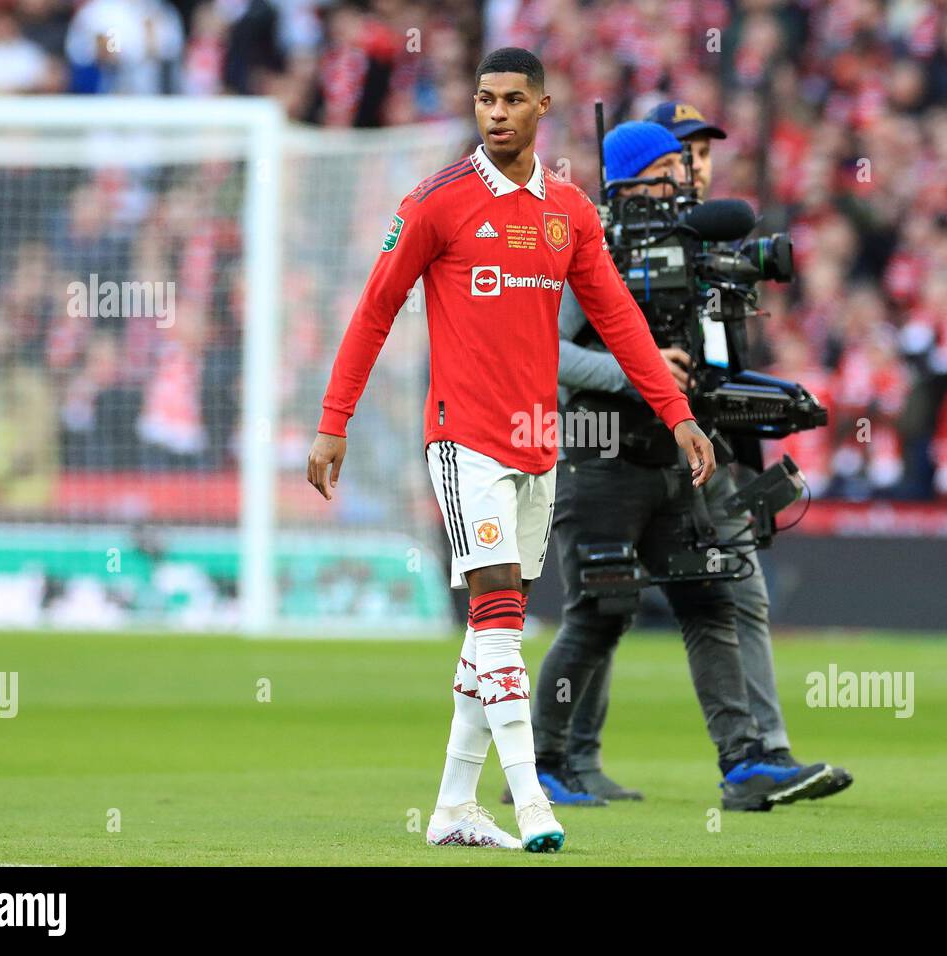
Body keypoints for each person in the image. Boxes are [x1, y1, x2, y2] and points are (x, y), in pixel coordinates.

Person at [306, 49, 716, 852]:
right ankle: (532, 802)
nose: (495, 112)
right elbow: (375, 309)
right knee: (496, 607)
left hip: (538, 447)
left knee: (495, 629)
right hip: (463, 440)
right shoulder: (435, 203)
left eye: (512, 100)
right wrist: (334, 419)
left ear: (542, 108)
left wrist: (677, 413)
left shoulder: (569, 212)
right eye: (484, 98)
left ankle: (455, 806)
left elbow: (624, 323)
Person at [524, 119, 842, 814]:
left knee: (710, 602)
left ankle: (746, 764)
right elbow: (544, 355)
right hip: (600, 458)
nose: (685, 179)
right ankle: (542, 765)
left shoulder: (687, 249)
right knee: (600, 614)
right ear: (635, 176)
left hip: (673, 459)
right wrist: (633, 375)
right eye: (670, 166)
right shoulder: (590, 241)